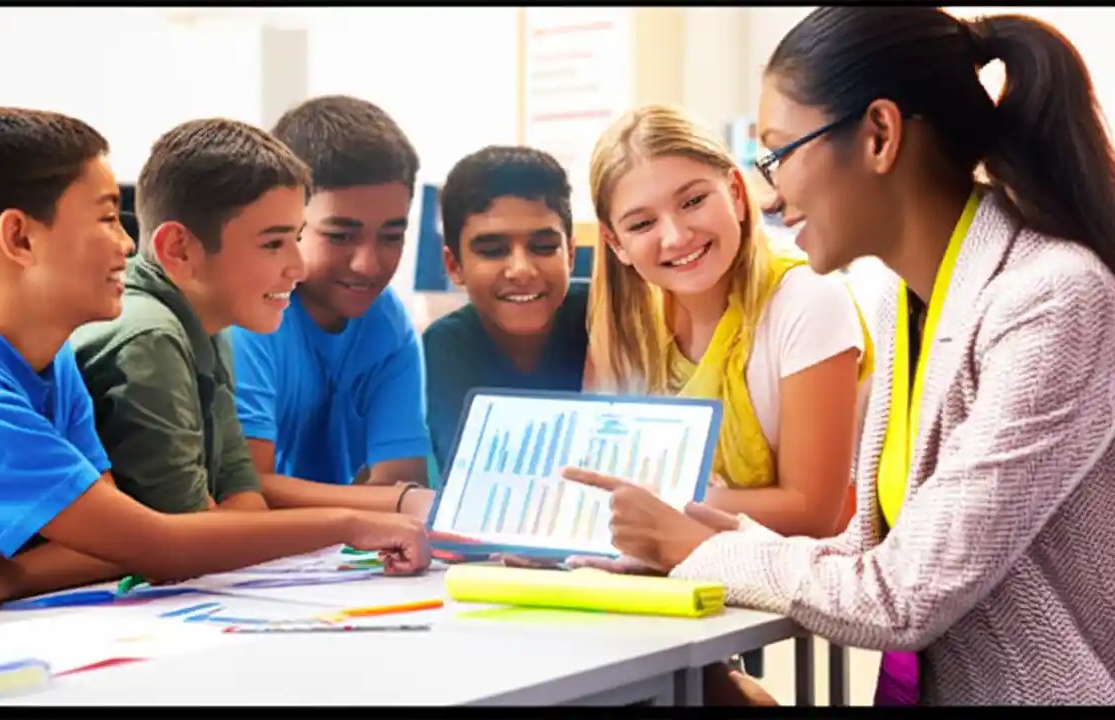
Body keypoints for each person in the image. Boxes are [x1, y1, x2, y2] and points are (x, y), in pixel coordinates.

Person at [563, 6, 1115, 705]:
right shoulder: (898, 298)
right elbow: (872, 553)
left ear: (879, 136)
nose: (771, 192)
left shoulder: (1052, 298)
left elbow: (901, 595)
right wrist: (717, 536)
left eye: (779, 153)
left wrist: (694, 550)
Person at [0, 107, 429, 632]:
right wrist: (353, 522)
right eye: (105, 219)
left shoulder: (50, 366)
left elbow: (115, 540)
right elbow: (159, 542)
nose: (126, 245)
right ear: (19, 237)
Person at [586, 104, 873, 539]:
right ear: (616, 243)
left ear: (737, 193)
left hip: (802, 584)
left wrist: (655, 504)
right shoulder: (624, 326)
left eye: (694, 201)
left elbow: (814, 512)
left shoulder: (809, 299)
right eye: (642, 223)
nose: (676, 236)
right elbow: (595, 485)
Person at [231, 96, 433, 517]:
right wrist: (395, 501)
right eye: (340, 236)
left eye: (392, 236)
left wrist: (396, 499)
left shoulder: (389, 324)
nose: (368, 264)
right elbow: (246, 491)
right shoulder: (248, 318)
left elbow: (401, 478)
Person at [423, 145, 588, 470]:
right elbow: (475, 475)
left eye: (543, 247)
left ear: (570, 254)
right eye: (493, 250)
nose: (521, 269)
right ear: (454, 264)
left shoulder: (609, 318)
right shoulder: (444, 349)